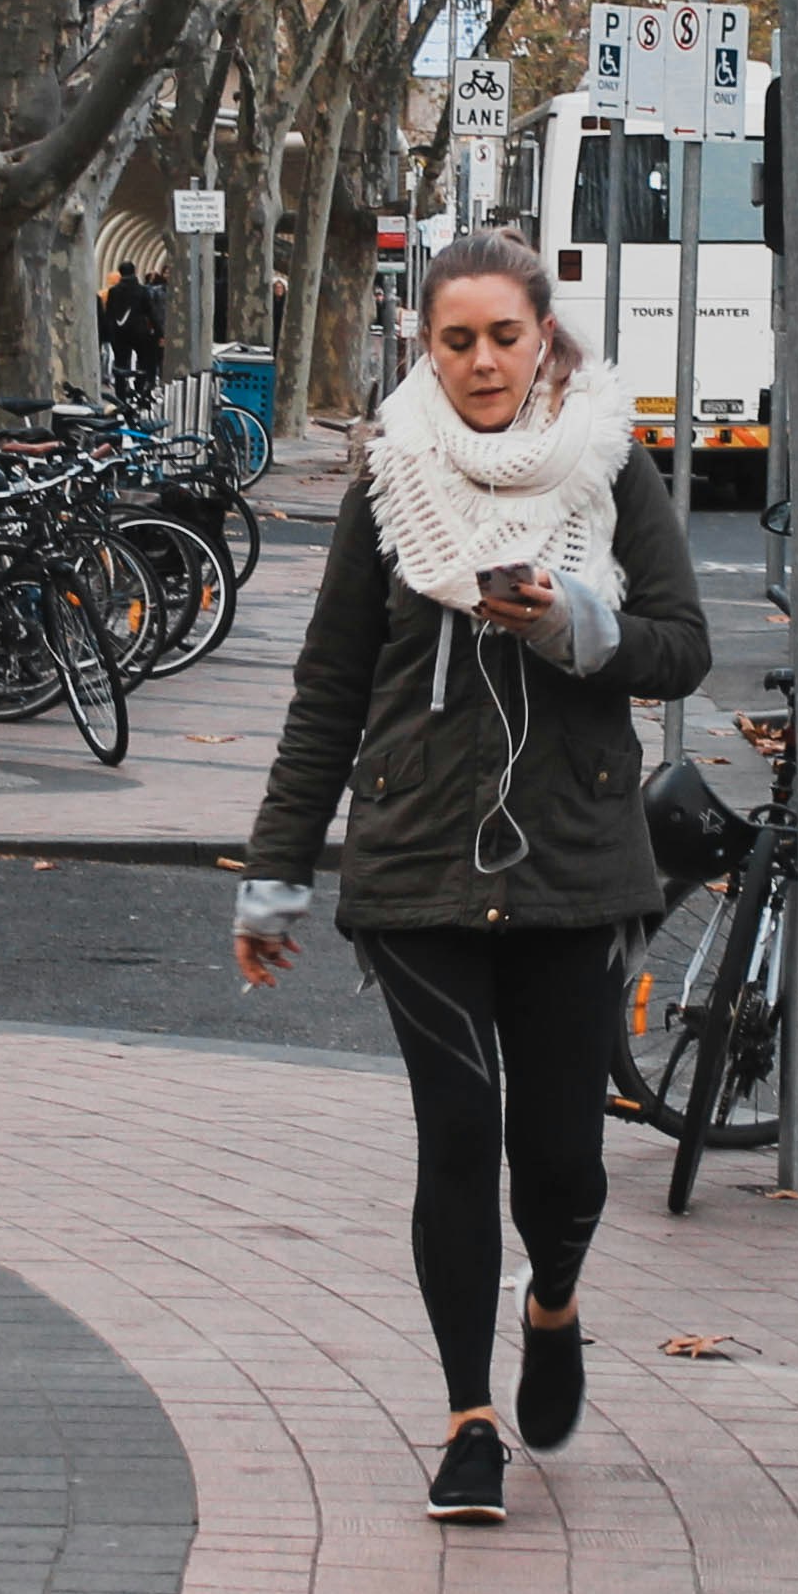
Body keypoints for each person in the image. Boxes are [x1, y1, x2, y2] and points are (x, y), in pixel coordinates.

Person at [233, 228, 711, 1527]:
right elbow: (332, 686)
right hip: (417, 859)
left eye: (506, 336)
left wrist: (570, 624)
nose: (485, 362)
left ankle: (553, 1300)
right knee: (457, 1134)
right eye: (459, 341)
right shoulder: (389, 476)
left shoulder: (609, 465)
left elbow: (681, 649)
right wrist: (274, 871)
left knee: (561, 1161)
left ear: (543, 337)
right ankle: (468, 1420)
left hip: (575, 861)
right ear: (426, 347)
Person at [98, 261, 163, 404]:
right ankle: (140, 390)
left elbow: (109, 314)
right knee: (143, 361)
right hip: (140, 332)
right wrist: (159, 332)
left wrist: (108, 334)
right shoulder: (142, 291)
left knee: (121, 364)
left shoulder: (113, 291)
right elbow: (151, 312)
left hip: (119, 333)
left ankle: (120, 397)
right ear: (134, 271)